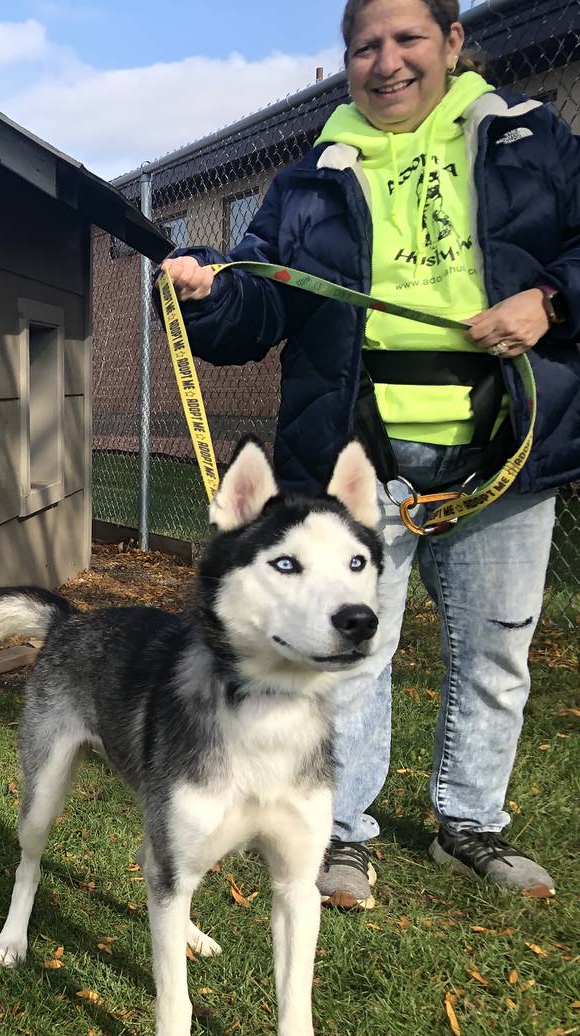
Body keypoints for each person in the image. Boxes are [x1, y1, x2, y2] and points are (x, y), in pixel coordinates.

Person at [160, 0, 577, 906]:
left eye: (408, 39)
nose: (386, 63)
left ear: (454, 42)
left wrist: (551, 299)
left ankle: (471, 822)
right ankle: (343, 832)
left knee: (497, 650)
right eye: (365, 47)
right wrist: (206, 295)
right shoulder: (308, 182)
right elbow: (258, 308)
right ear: (346, 60)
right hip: (357, 459)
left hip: (505, 448)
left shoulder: (535, 140)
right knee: (350, 651)